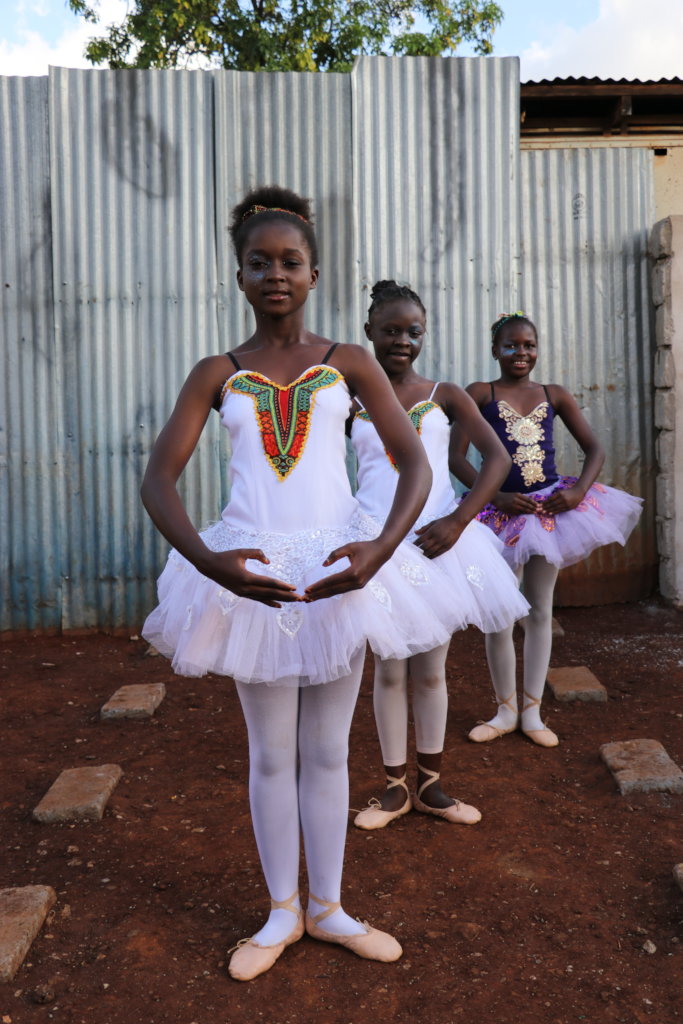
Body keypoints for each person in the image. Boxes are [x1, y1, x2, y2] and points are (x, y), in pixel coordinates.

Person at [139, 186, 464, 981]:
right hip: (248, 574)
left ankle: (330, 908)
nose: (274, 273)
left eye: (290, 261)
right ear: (240, 275)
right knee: (269, 753)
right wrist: (211, 564)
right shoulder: (218, 372)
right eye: (259, 262)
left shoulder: (345, 363)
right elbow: (158, 480)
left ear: (314, 274)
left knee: (326, 751)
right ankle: (281, 909)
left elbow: (415, 462)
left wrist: (379, 550)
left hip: (333, 571)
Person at [350, 281, 530, 831]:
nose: (402, 341)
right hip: (377, 543)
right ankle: (393, 788)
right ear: (369, 335)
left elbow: (495, 460)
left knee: (431, 671)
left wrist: (458, 520)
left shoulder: (444, 394)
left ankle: (432, 786)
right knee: (387, 671)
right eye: (390, 331)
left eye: (413, 332)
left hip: (436, 544)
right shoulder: (346, 399)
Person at [451, 311, 643, 748]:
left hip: (546, 513)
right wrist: (493, 495)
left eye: (529, 345)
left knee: (539, 610)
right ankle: (504, 710)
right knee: (499, 614)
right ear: (494, 350)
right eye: (511, 345)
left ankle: (533, 711)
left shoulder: (553, 394)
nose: (521, 353)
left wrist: (576, 495)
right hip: (496, 514)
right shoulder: (481, 393)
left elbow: (594, 448)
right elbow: (456, 458)